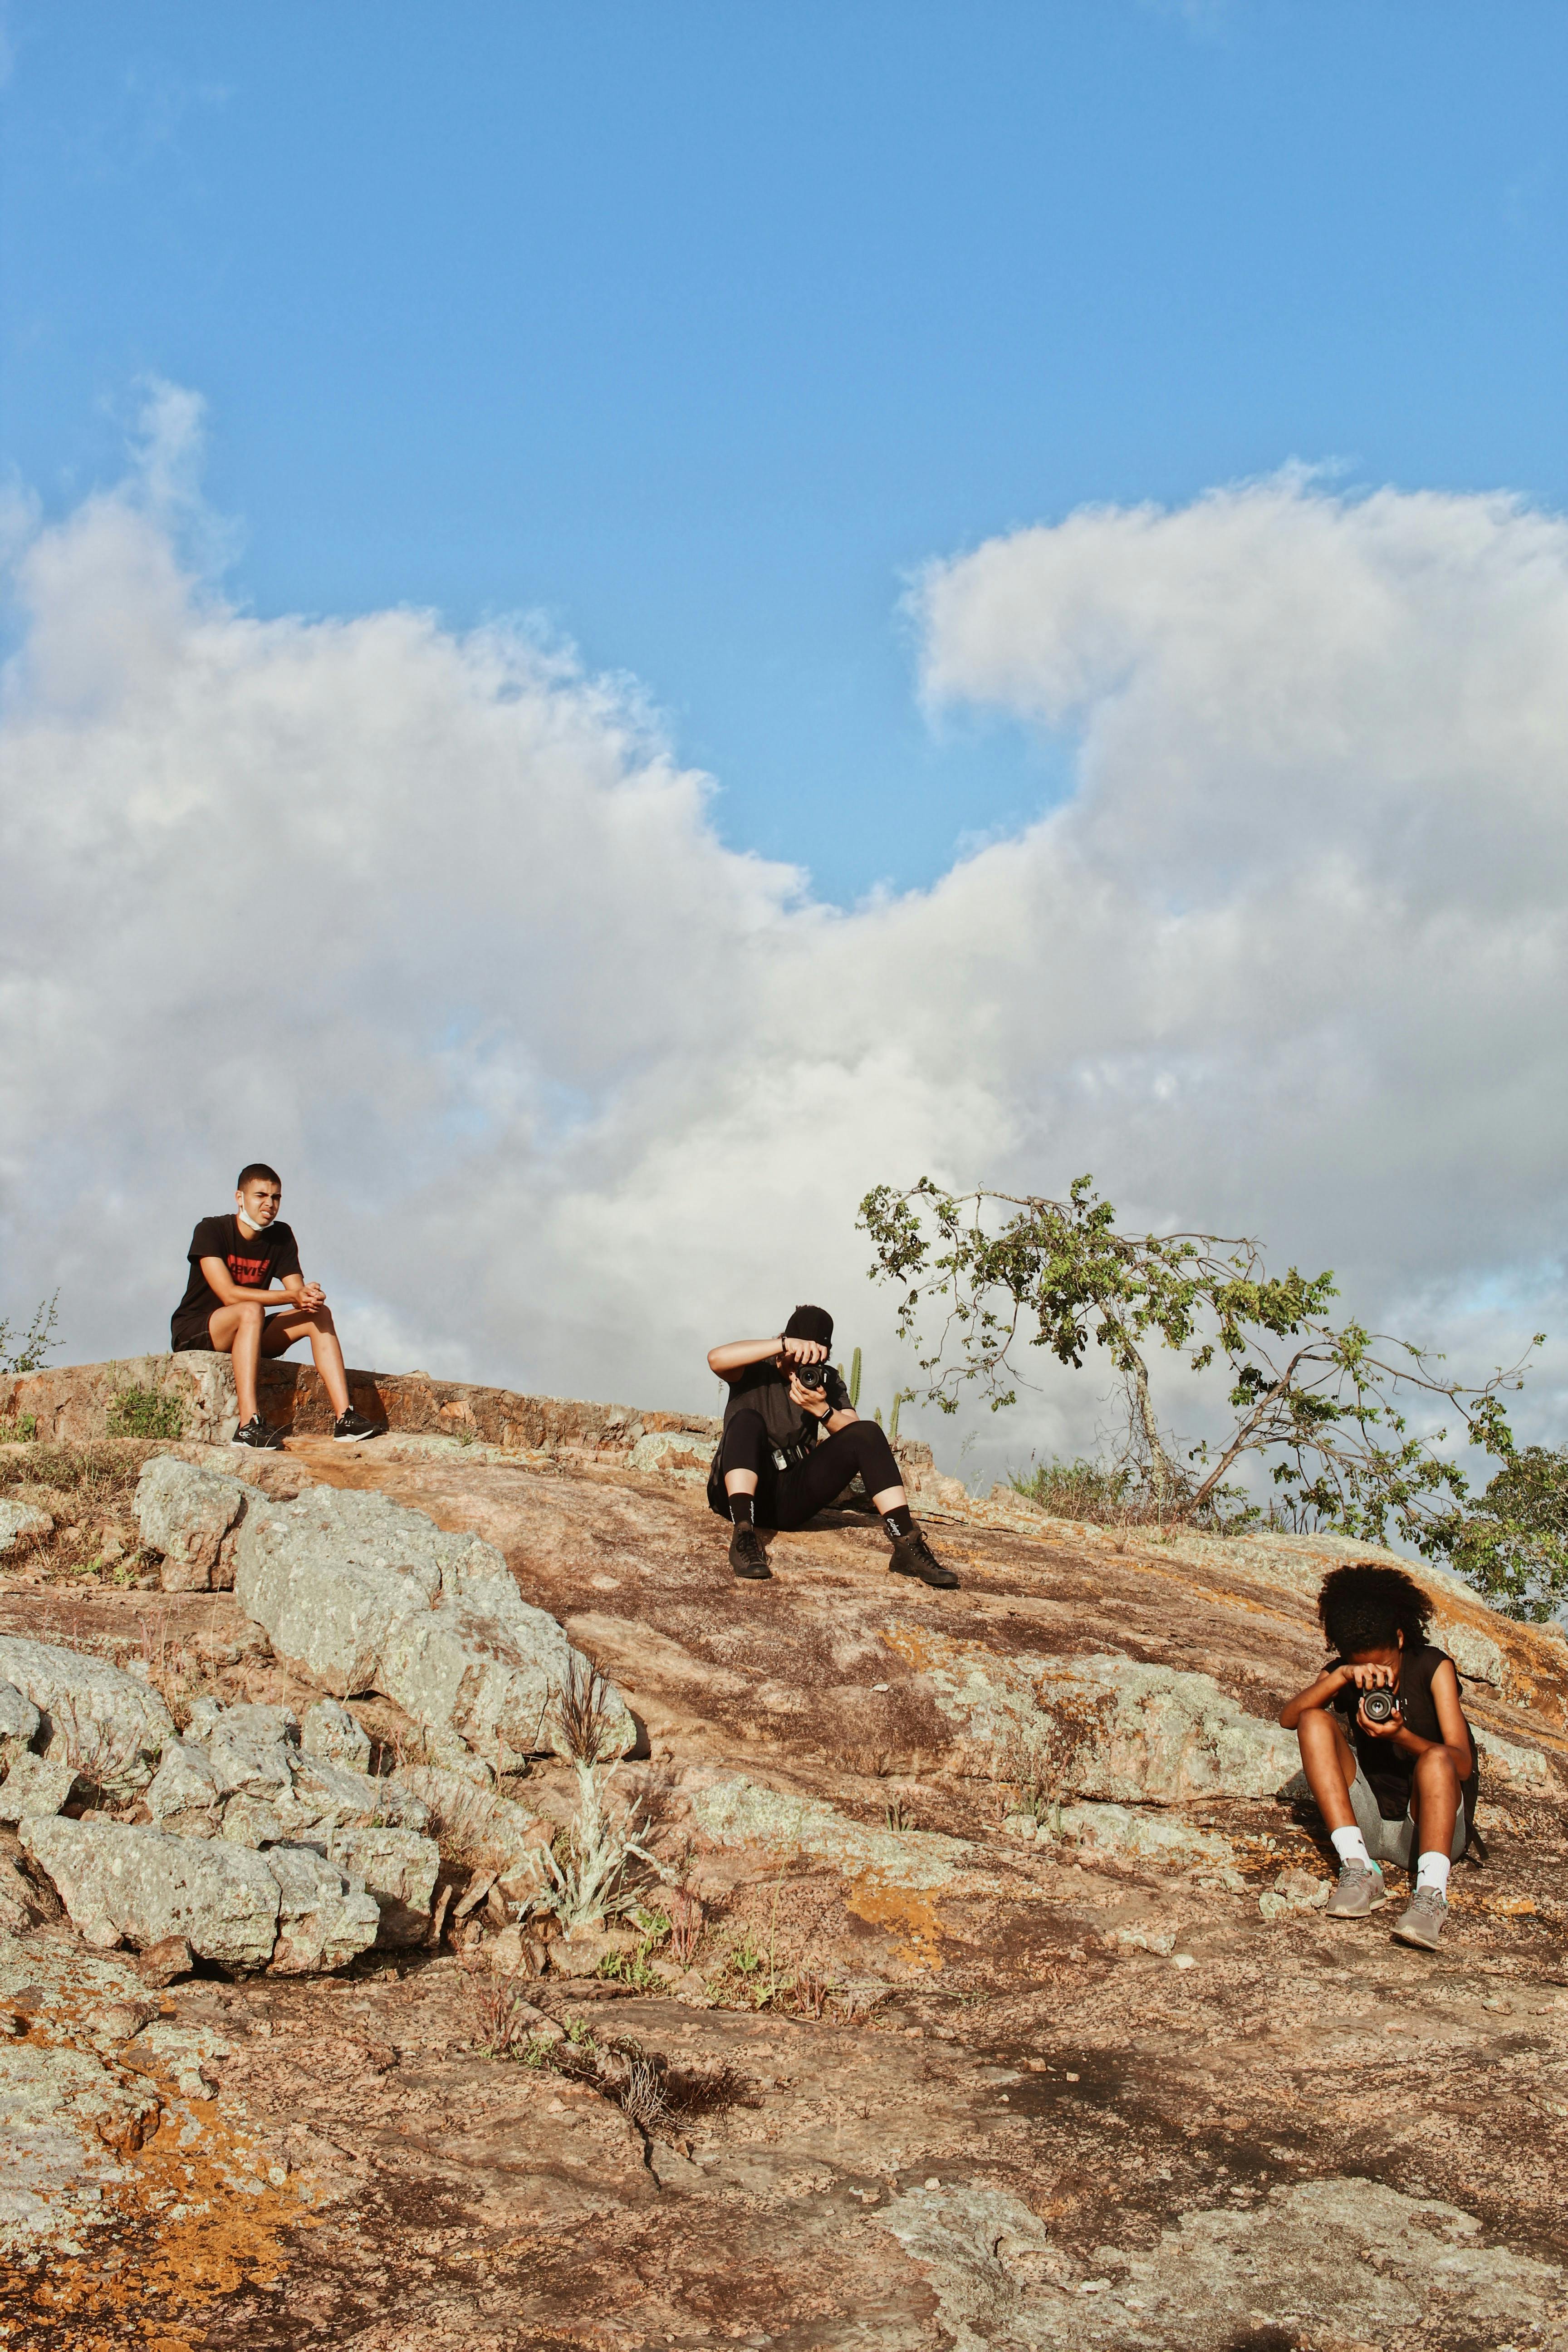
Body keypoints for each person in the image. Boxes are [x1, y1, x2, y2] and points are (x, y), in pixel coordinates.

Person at [1278, 1562, 1477, 1951]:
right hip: (1369, 1824)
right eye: (1365, 1666)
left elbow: (1463, 1764)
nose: (1379, 1677)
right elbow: (1289, 1718)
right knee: (1313, 1721)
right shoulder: (1345, 1672)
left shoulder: (1432, 1667)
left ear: (1401, 1638)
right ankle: (1358, 1870)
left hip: (1427, 1830)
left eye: (1384, 1665)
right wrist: (1340, 1677)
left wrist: (1402, 1736)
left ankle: (1431, 1896)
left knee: (1437, 1759)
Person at [706, 1305, 958, 1588]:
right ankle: (744, 1536)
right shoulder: (754, 1368)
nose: (802, 1366)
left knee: (868, 1432)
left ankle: (906, 1545)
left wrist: (823, 1410)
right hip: (735, 1494)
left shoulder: (825, 1381)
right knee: (747, 1420)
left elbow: (860, 1436)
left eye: (813, 1358)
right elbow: (716, 1358)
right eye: (798, 1356)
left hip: (788, 1500)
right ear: (785, 1344)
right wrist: (785, 1345)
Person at [170, 1163, 382, 1449]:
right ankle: (247, 1426)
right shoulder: (211, 1230)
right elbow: (230, 1294)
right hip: (199, 1329)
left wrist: (308, 1296)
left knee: (318, 1314)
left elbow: (296, 1292)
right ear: (240, 1198)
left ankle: (345, 1418)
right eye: (260, 1196)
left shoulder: (281, 1236)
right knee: (250, 1309)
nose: (269, 1204)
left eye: (276, 1197)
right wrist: (292, 1297)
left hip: (249, 1330)